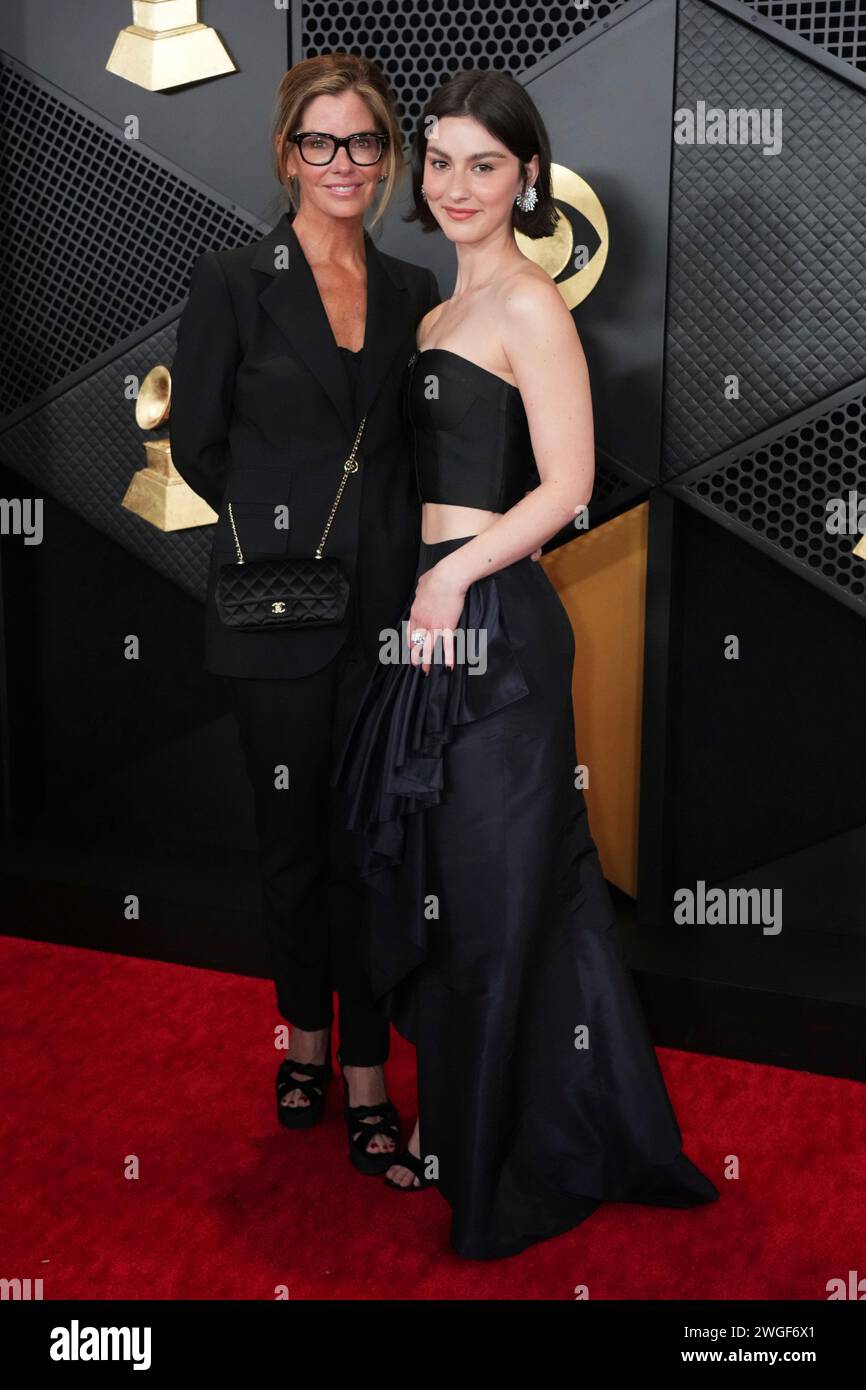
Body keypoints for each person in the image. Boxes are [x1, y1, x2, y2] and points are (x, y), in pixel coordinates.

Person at [331, 69, 719, 1259]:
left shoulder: (528, 307)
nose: (454, 186)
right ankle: (522, 1127)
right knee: (472, 903)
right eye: (438, 162)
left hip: (490, 631)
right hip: (429, 623)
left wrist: (451, 578)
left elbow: (568, 485)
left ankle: (510, 1164)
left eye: (482, 165)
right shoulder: (442, 313)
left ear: (526, 178)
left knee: (497, 907)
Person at [170, 53, 440, 1172]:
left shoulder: (414, 292)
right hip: (273, 619)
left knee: (371, 853)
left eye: (364, 143)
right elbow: (197, 445)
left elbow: (419, 455)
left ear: (385, 161)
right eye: (320, 143)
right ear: (288, 154)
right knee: (291, 849)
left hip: (385, 620)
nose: (343, 163)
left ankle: (371, 1072)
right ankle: (306, 1045)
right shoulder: (233, 280)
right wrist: (291, 540)